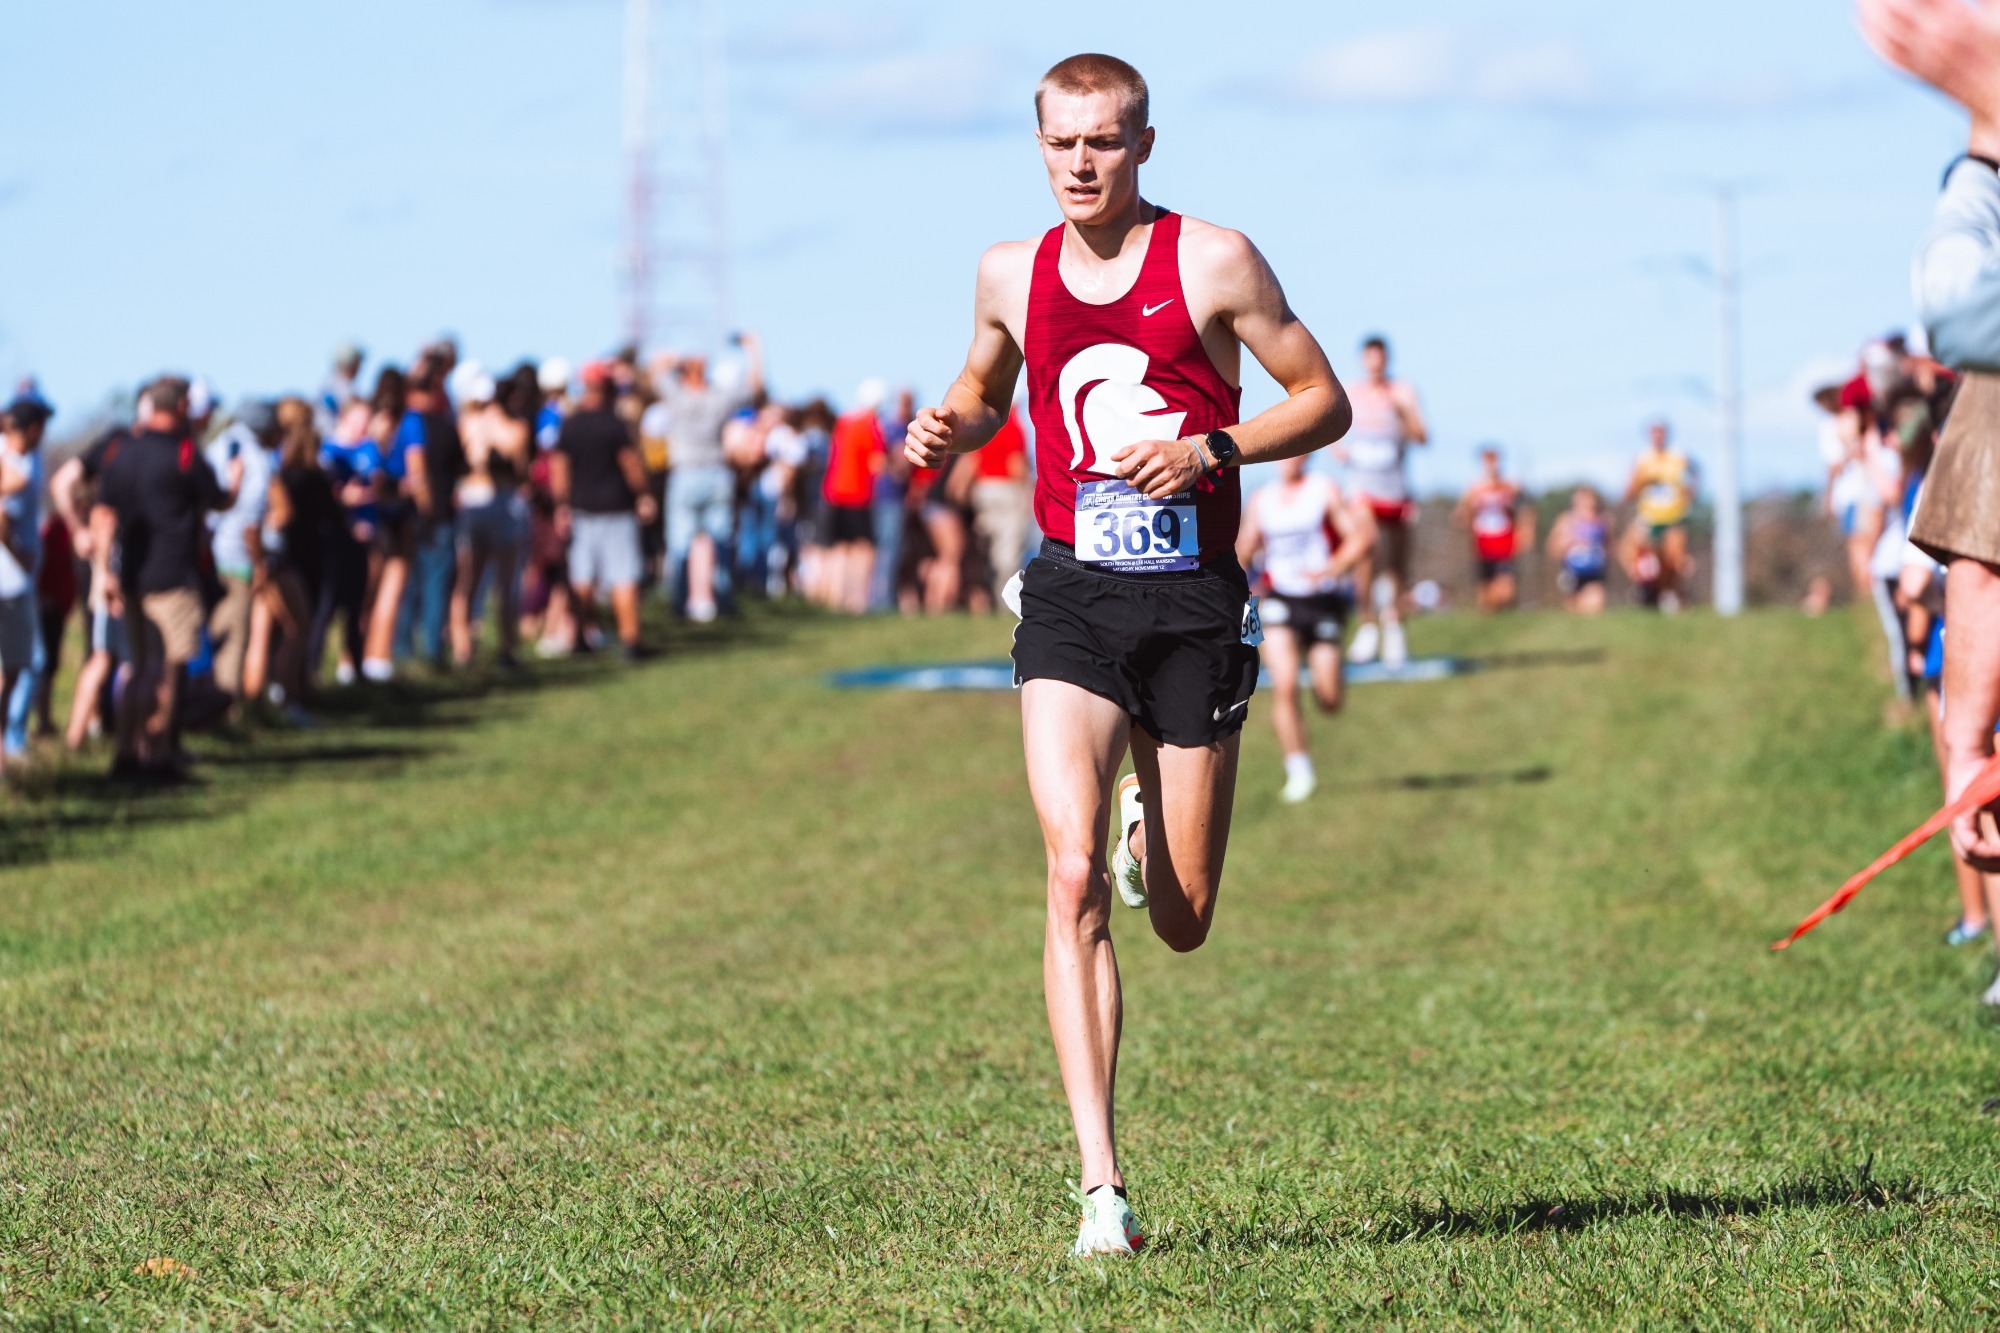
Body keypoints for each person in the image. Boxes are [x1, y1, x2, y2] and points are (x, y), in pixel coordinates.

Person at [902, 53, 1350, 1255]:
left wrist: (1214, 447)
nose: (1082, 164)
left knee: (1186, 917)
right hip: (1069, 601)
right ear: (1038, 145)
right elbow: (985, 388)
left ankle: (1150, 826)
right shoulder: (1010, 271)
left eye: (1104, 142)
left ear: (1144, 144)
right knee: (1065, 876)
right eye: (1062, 144)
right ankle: (1102, 1189)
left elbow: (1323, 399)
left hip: (1193, 605)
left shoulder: (1213, 259)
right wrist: (949, 424)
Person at [92, 375, 234, 778]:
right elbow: (219, 499)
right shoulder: (186, 451)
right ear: (183, 407)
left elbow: (103, 513)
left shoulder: (123, 450)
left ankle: (125, 752)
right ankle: (159, 756)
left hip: (131, 576)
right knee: (168, 669)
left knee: (137, 668)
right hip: (171, 576)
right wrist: (236, 483)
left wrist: (105, 572)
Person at [1236, 454, 1374, 802]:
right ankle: (1299, 771)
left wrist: (1332, 568)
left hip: (1321, 600)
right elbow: (1244, 551)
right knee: (1284, 684)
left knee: (1329, 698)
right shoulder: (1261, 499)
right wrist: (1245, 588)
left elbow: (1358, 540)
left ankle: (1330, 675)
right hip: (1278, 598)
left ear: (1308, 455)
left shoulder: (1322, 489)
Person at [1324, 335, 1425, 668]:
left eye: (1380, 358)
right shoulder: (1352, 392)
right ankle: (1367, 623)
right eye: (1370, 359)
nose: (1375, 365)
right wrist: (1336, 448)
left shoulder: (1402, 392)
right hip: (1361, 487)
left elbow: (1422, 436)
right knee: (1365, 548)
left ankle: (1393, 625)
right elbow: (1330, 424)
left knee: (1394, 564)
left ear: (1387, 360)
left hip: (1394, 487)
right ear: (1363, 361)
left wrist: (1403, 413)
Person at [552, 361, 655, 660]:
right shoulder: (614, 424)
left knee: (582, 578)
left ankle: (581, 637)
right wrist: (644, 494)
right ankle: (630, 641)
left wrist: (561, 505)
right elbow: (630, 464)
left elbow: (560, 469)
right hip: (616, 509)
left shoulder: (570, 425)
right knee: (623, 578)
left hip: (582, 510)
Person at [657, 335, 763, 622]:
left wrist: (676, 360)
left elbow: (656, 369)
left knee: (680, 545)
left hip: (685, 473)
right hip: (716, 474)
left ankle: (679, 605)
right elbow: (754, 386)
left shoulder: (677, 396)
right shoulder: (718, 397)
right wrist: (753, 350)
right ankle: (723, 601)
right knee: (720, 544)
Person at [448, 364, 532, 667]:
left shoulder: (506, 425)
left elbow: (517, 453)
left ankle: (506, 648)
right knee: (468, 578)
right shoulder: (464, 424)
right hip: (475, 501)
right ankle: (462, 647)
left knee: (506, 581)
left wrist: (492, 424)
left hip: (503, 501)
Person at [203, 399, 280, 706]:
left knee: (215, 635)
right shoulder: (258, 460)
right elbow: (251, 523)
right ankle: (227, 710)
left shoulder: (215, 446)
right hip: (236, 559)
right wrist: (259, 564)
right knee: (234, 639)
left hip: (209, 554)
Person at [319, 398, 384, 683]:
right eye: (360, 418)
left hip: (363, 538)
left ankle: (354, 668)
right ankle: (312, 671)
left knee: (358, 604)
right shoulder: (327, 451)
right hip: (335, 538)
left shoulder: (370, 448)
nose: (364, 425)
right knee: (328, 605)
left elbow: (378, 485)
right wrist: (343, 501)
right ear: (345, 417)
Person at [0, 399, 45, 771]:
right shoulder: (12, 465)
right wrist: (16, 556)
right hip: (9, 583)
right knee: (19, 663)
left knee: (17, 666)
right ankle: (10, 742)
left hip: (15, 582)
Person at [821, 389, 885, 614]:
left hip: (835, 491)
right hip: (858, 493)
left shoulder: (843, 421)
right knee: (864, 549)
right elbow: (876, 462)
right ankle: (858, 600)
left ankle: (836, 597)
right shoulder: (871, 423)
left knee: (841, 547)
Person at [1623, 420, 1696, 614]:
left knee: (1675, 559)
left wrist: (1690, 494)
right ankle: (1643, 587)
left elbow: (1695, 474)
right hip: (1649, 518)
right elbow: (1629, 491)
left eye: (1661, 433)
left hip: (1673, 518)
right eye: (1654, 433)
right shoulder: (1642, 459)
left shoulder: (1678, 456)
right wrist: (1641, 482)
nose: (1658, 437)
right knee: (1630, 548)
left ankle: (1674, 592)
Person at [971, 402, 1033, 607]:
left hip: (983, 489)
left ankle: (987, 598)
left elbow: (972, 461)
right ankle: (1004, 602)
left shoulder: (985, 424)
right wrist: (1030, 492)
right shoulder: (1013, 424)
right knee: (1008, 550)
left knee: (989, 548)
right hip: (1007, 491)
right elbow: (1015, 465)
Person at [1455, 445, 1528, 613]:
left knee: (1506, 590)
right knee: (1485, 594)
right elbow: (1461, 515)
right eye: (1487, 461)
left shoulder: (1509, 486)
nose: (1491, 465)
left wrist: (1524, 531)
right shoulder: (1473, 489)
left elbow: (1525, 509)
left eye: (1494, 460)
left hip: (1505, 542)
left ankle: (1503, 610)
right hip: (1483, 543)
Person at [1545, 486, 1610, 615]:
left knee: (1595, 604)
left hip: (1594, 574)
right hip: (1571, 573)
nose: (1586, 502)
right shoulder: (1566, 520)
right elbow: (1551, 546)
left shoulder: (1602, 521)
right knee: (1572, 608)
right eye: (1583, 498)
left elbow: (1608, 546)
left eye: (1589, 498)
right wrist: (1564, 546)